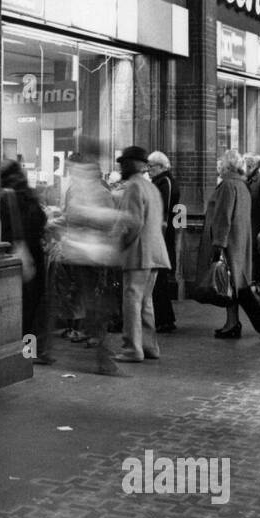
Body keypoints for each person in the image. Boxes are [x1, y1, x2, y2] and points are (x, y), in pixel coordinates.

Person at [57, 140, 126, 375]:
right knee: (96, 303)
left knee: (94, 303)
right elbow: (80, 215)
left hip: (88, 254)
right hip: (88, 254)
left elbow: (75, 215)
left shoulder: (86, 186)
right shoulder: (88, 186)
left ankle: (96, 343)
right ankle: (101, 349)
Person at [112, 146, 170, 363]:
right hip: (155, 252)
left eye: (123, 162)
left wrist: (119, 244)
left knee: (132, 302)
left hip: (139, 253)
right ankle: (149, 346)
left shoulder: (134, 187)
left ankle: (132, 349)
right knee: (146, 302)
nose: (121, 166)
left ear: (132, 164)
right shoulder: (151, 186)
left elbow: (132, 224)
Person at [0, 160, 53, 365]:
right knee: (31, 307)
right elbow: (41, 221)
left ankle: (14, 350)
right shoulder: (30, 196)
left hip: (11, 256)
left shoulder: (5, 197)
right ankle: (28, 352)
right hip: (33, 256)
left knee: (15, 307)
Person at [200, 150, 253, 338]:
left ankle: (231, 323)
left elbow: (223, 217)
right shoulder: (242, 185)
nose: (218, 168)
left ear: (226, 166)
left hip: (229, 243)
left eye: (220, 164)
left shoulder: (227, 186)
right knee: (234, 283)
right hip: (241, 241)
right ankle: (232, 322)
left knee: (227, 283)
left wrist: (218, 244)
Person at [148, 151, 180, 334]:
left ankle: (164, 319)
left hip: (161, 237)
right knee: (158, 280)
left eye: (151, 166)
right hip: (161, 237)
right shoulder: (161, 182)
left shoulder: (165, 182)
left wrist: (158, 235)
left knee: (159, 280)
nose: (148, 169)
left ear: (161, 166)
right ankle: (163, 318)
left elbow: (165, 212)